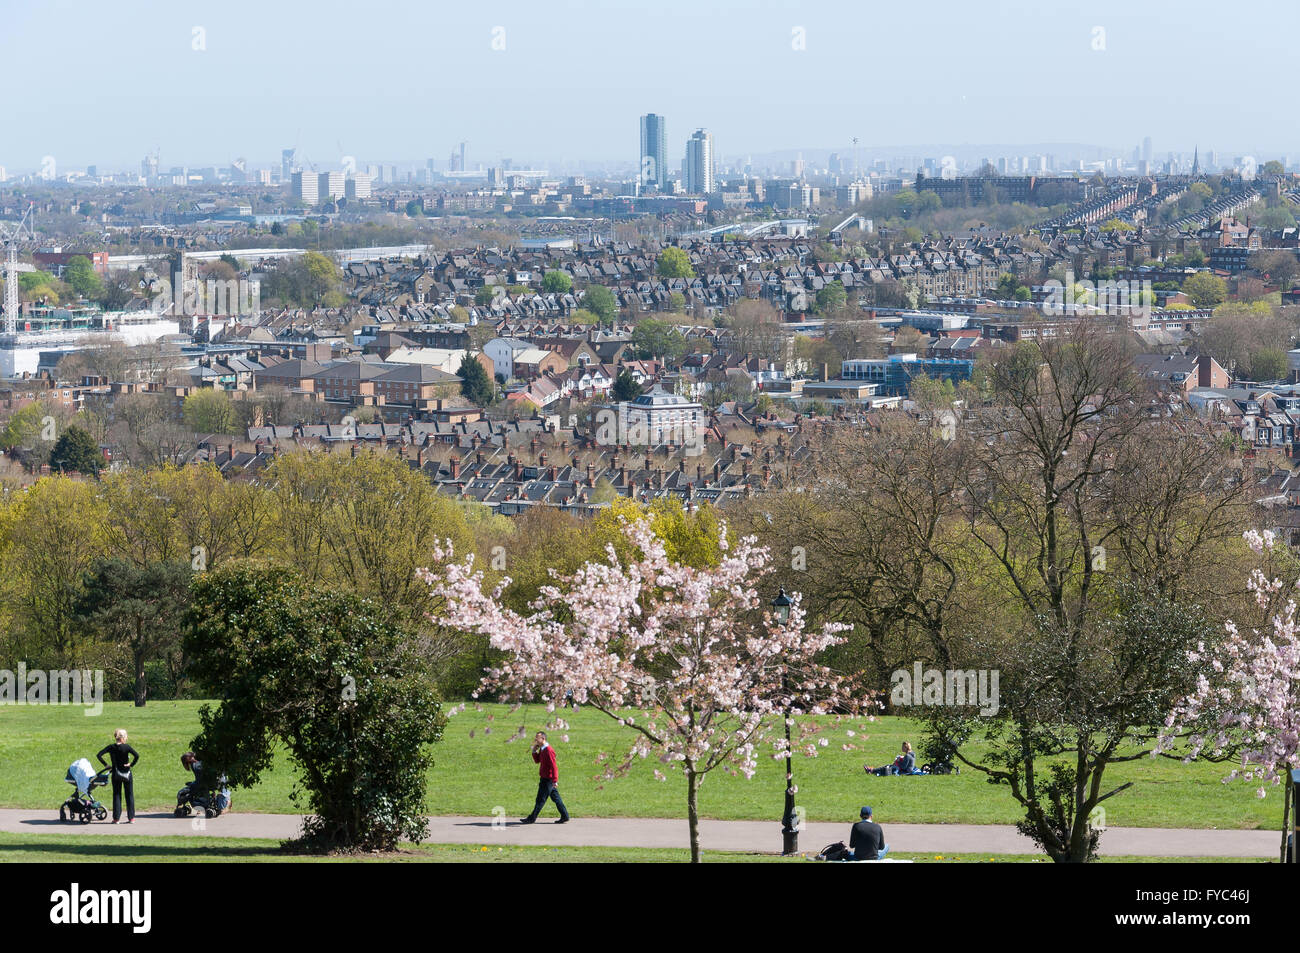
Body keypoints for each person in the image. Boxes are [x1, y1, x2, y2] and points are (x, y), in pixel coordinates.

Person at [519, 731, 570, 825]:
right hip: (544, 778)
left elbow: (554, 766)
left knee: (540, 800)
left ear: (543, 739)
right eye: (535, 738)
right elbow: (537, 761)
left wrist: (555, 780)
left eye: (537, 738)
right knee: (556, 798)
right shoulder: (542, 749)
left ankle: (532, 818)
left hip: (548, 780)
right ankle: (565, 816)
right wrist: (534, 751)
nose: (535, 740)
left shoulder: (548, 750)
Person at [96, 728, 139, 824]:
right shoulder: (127, 747)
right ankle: (131, 818)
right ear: (123, 737)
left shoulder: (111, 747)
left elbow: (99, 755)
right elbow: (137, 756)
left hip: (116, 773)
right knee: (129, 795)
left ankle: (116, 818)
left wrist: (106, 765)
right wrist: (131, 764)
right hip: (127, 774)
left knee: (117, 795)